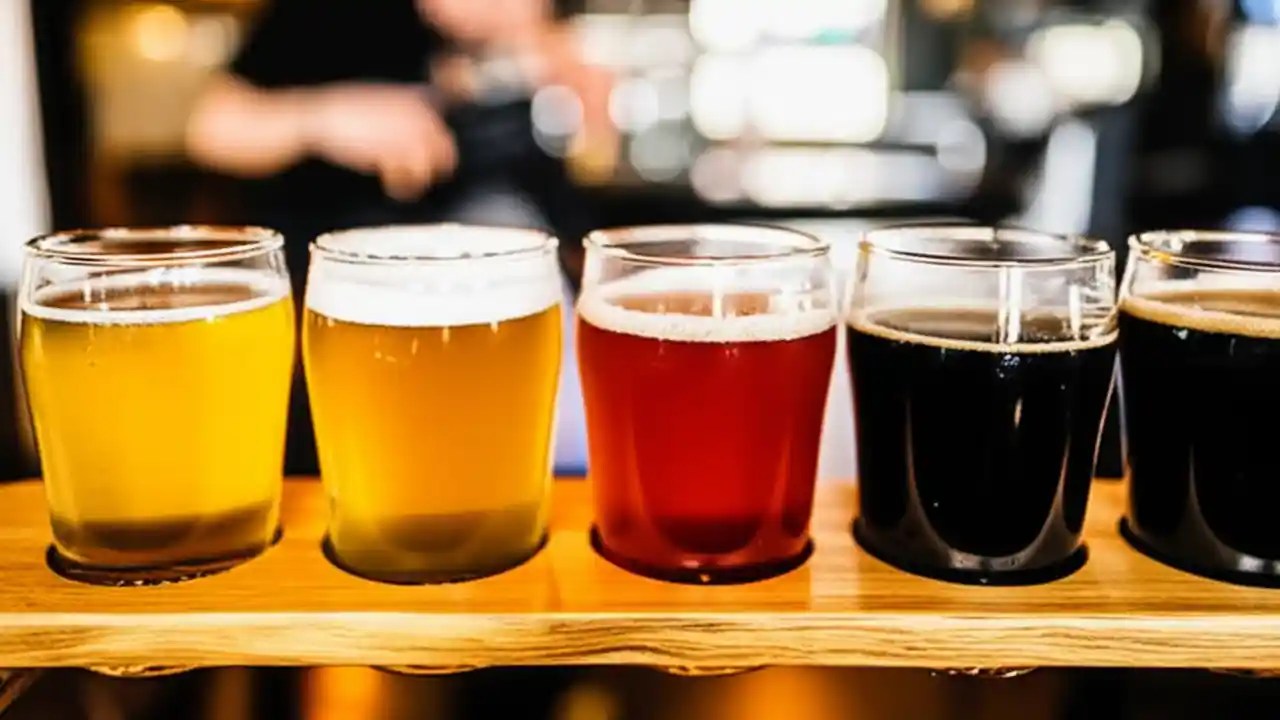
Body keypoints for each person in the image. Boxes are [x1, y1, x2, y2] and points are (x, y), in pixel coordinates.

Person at [186, 0, 611, 473]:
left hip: (518, 296)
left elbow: (584, 147)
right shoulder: (322, 16)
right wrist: (326, 118)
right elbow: (210, 128)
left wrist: (554, 56)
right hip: (360, 309)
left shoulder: (532, 28)